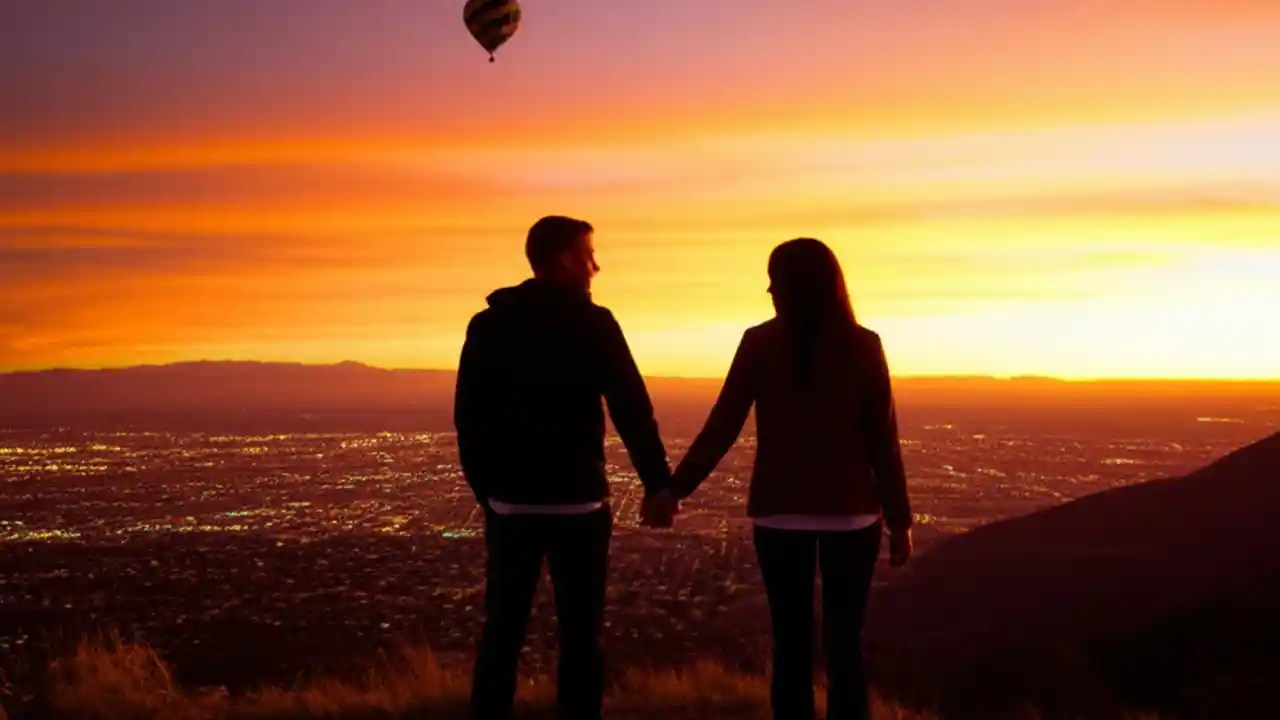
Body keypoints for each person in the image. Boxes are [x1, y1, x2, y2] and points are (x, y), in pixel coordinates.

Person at [661, 238, 913, 720]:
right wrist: (899, 521)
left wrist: (676, 488)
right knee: (845, 648)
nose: (769, 288)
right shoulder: (864, 345)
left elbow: (723, 424)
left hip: (780, 512)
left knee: (791, 647)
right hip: (853, 514)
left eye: (774, 278)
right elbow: (883, 440)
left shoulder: (760, 342)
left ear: (791, 285)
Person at [454, 215, 677, 720]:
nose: (596, 266)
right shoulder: (593, 323)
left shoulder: (489, 325)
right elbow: (631, 409)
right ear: (562, 259)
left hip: (511, 504)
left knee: (502, 631)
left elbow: (470, 417)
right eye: (588, 254)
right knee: (580, 634)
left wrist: (488, 492)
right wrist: (657, 484)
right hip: (579, 503)